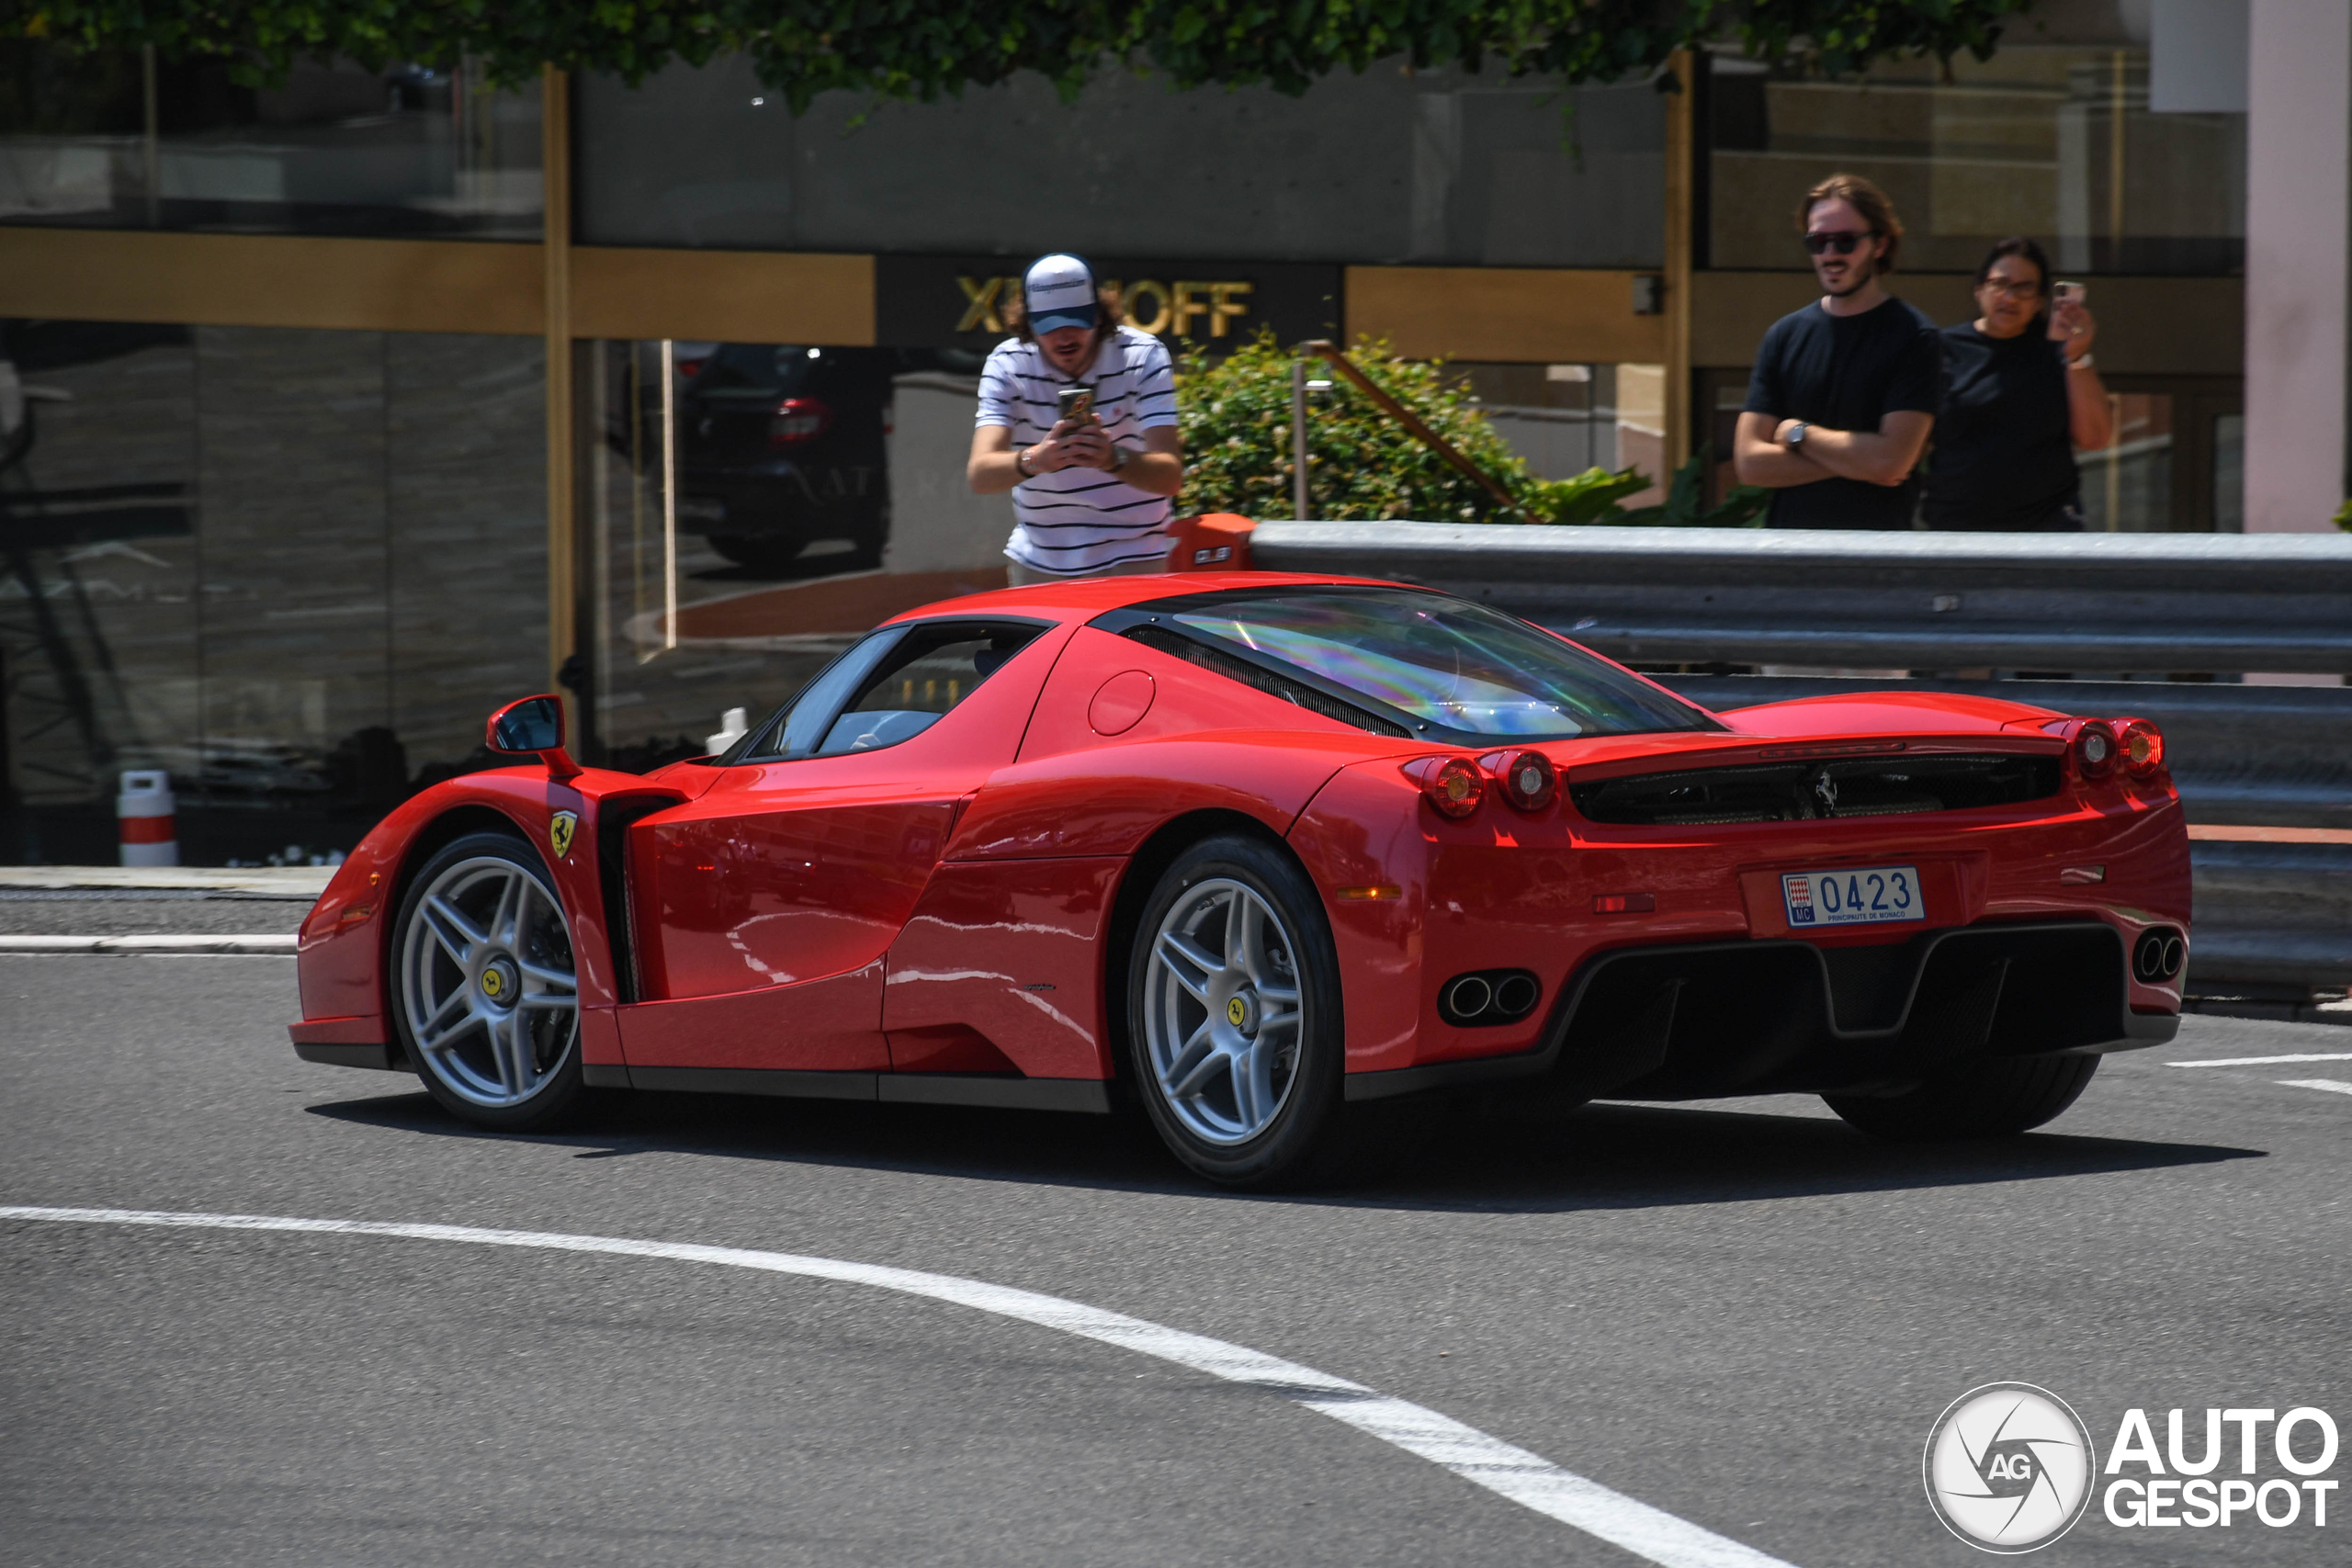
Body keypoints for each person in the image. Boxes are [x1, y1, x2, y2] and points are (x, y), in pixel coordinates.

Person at [1733, 174, 1943, 528]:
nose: (1830, 255)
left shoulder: (1915, 336)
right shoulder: (1783, 336)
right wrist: (1859, 462)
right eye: (1818, 242)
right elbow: (1750, 464)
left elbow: (1891, 463)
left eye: (1845, 242)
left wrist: (1797, 433)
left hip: (1876, 558)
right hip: (1789, 556)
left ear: (1880, 245)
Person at [967, 254, 1184, 582]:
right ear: (1028, 325)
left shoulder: (1142, 355)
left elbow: (1170, 476)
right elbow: (980, 475)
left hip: (1136, 554)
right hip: (1039, 559)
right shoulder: (1007, 363)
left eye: (1075, 322)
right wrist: (1036, 459)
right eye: (1049, 327)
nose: (1064, 337)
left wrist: (1114, 459)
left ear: (1099, 316)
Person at [1919, 237, 2113, 530]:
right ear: (1979, 289)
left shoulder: (2057, 352)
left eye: (2024, 289)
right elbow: (1914, 440)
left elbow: (2095, 438)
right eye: (2000, 284)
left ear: (2038, 301)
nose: (2010, 298)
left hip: (2046, 530)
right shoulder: (1942, 350)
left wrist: (2077, 356)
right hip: (1957, 528)